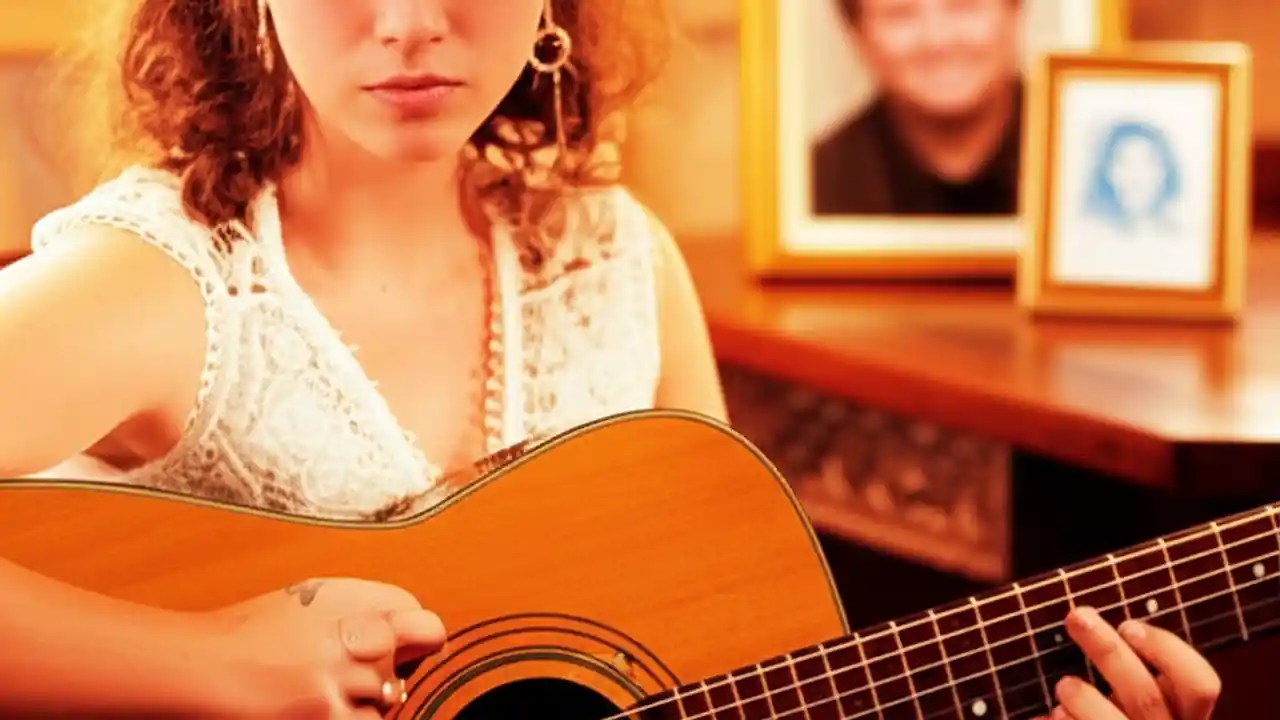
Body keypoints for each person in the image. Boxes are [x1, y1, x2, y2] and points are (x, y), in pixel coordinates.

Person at [0, 1, 1221, 718]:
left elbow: (739, 676)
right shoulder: (165, 275)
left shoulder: (618, 258)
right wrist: (210, 665)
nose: (412, 23)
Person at [813, 0, 1024, 216]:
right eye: (900, 14)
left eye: (963, 6)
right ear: (858, 34)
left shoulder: (1061, 150)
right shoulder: (810, 188)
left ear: (1014, 11)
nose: (938, 39)